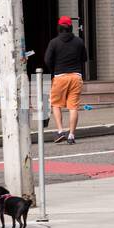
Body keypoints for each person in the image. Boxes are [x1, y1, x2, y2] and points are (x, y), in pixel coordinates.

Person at [44, 15, 88, 145]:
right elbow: (84, 58)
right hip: (76, 76)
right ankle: (71, 135)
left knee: (56, 104)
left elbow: (47, 60)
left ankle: (60, 131)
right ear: (71, 27)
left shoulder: (54, 42)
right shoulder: (79, 41)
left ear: (59, 27)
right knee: (73, 107)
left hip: (60, 76)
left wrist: (54, 69)